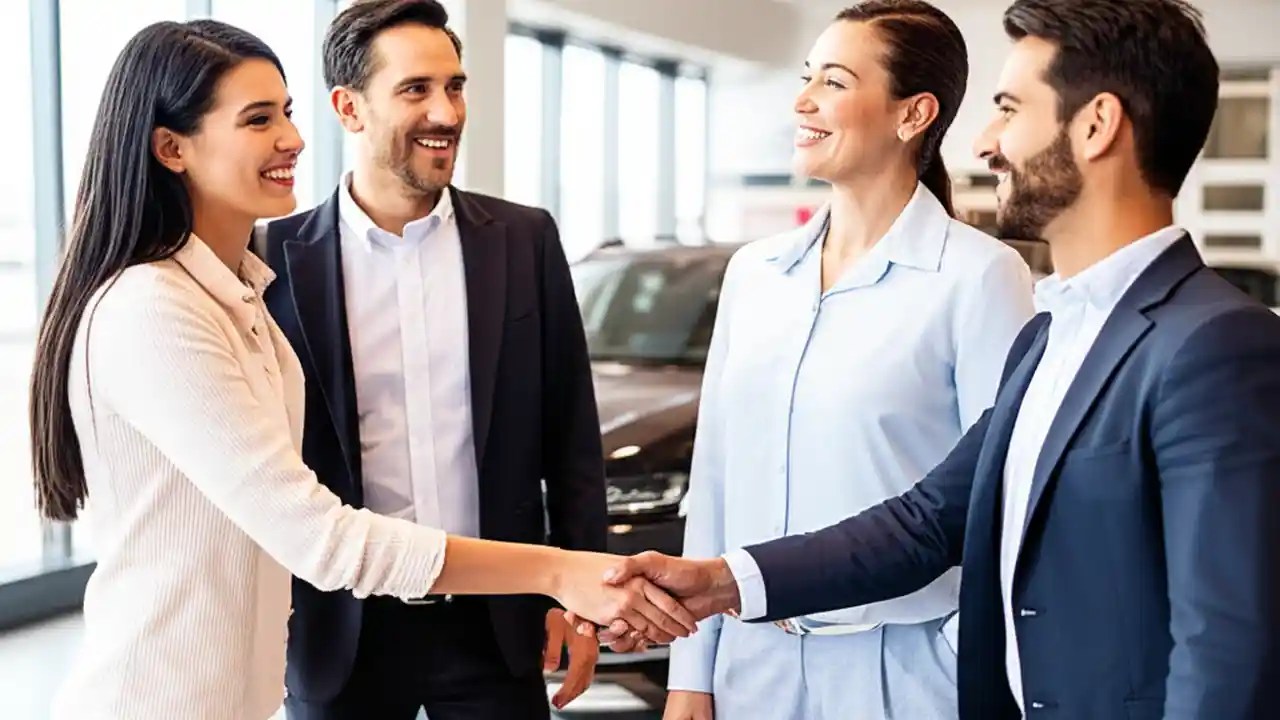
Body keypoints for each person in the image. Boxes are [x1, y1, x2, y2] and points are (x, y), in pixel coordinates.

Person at [591, 1, 1280, 718]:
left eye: (1009, 109)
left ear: (1097, 124)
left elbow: (1227, 646)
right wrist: (720, 583)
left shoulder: (1215, 344)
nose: (985, 141)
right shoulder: (1056, 336)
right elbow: (927, 521)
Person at [27, 20, 693, 720]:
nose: (292, 138)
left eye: (285, 112)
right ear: (171, 148)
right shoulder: (153, 309)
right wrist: (560, 570)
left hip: (248, 695)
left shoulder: (239, 295)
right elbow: (319, 535)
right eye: (258, 119)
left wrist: (567, 580)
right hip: (170, 694)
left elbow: (567, 431)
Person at [658, 2, 1033, 719]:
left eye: (833, 81)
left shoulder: (979, 277)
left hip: (902, 671)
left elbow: (1000, 507)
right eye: (807, 78)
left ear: (913, 114)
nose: (803, 101)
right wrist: (691, 674)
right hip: (749, 664)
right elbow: (714, 485)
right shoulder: (755, 274)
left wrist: (954, 660)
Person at [252, 2, 606, 718]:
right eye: (416, 89)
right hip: (337, 630)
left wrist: (582, 593)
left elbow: (571, 437)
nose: (446, 111)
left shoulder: (523, 241)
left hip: (497, 625)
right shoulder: (269, 260)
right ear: (349, 108)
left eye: (456, 86)